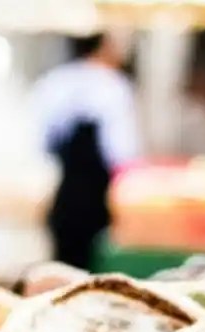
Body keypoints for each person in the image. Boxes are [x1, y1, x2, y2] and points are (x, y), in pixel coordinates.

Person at [33, 32, 141, 271]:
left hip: (64, 197)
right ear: (103, 45)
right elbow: (121, 152)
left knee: (63, 265)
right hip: (96, 198)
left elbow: (42, 143)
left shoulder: (55, 81)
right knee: (92, 268)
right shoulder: (112, 85)